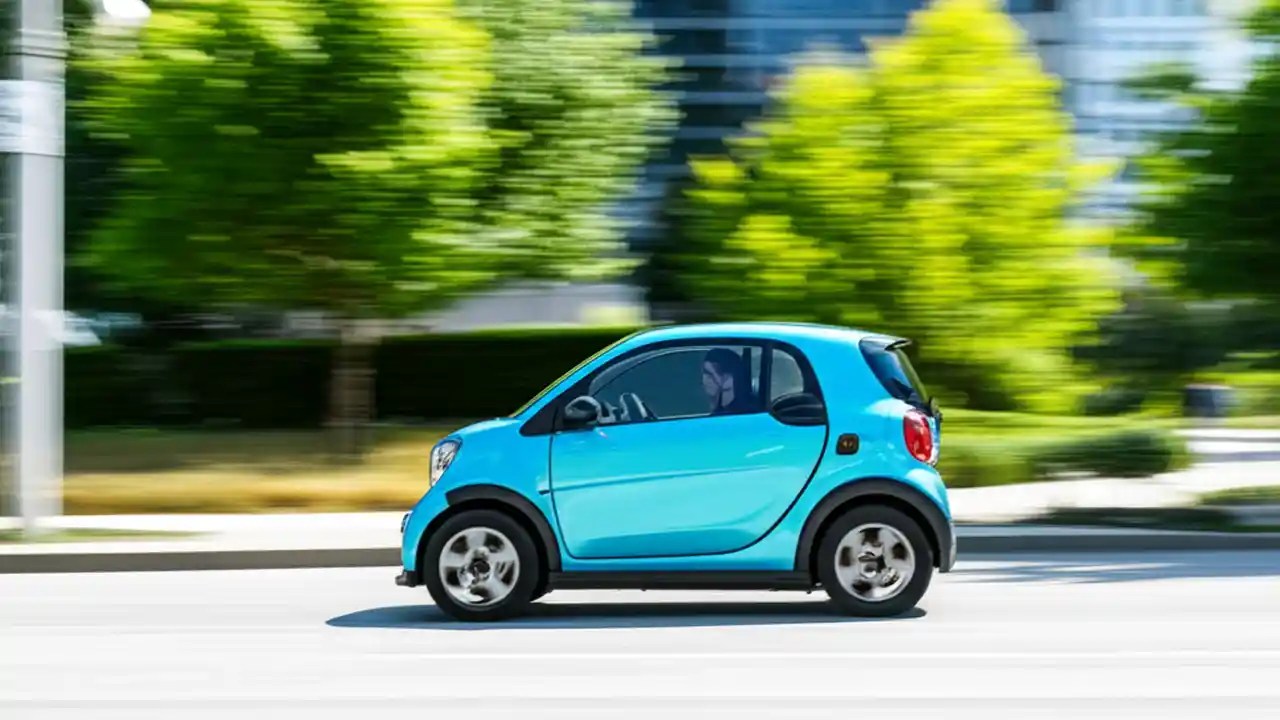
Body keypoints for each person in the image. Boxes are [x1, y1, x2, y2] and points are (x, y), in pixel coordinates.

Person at [701, 348, 757, 415]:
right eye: (705, 373)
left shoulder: (747, 414)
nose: (705, 379)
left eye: (711, 375)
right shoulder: (708, 411)